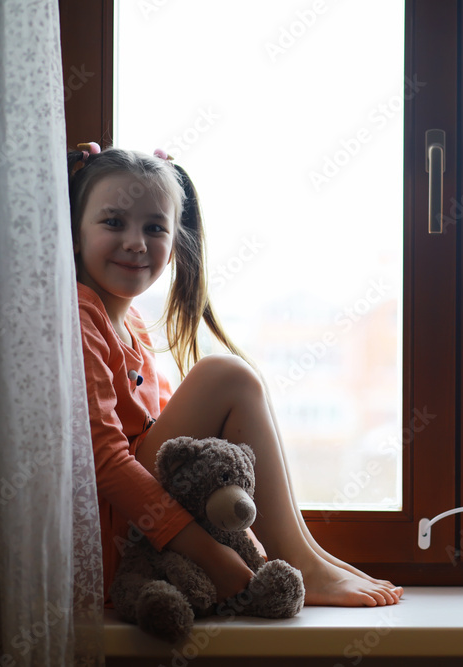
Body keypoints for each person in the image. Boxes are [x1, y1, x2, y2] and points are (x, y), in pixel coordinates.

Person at [68, 143, 402, 608]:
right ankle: (301, 560)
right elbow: (103, 462)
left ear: (175, 241)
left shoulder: (135, 326)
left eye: (154, 227)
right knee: (227, 375)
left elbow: (174, 447)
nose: (136, 242)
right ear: (75, 235)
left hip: (144, 534)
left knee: (234, 381)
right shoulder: (77, 317)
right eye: (113, 222)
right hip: (115, 536)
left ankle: (303, 552)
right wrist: (212, 554)